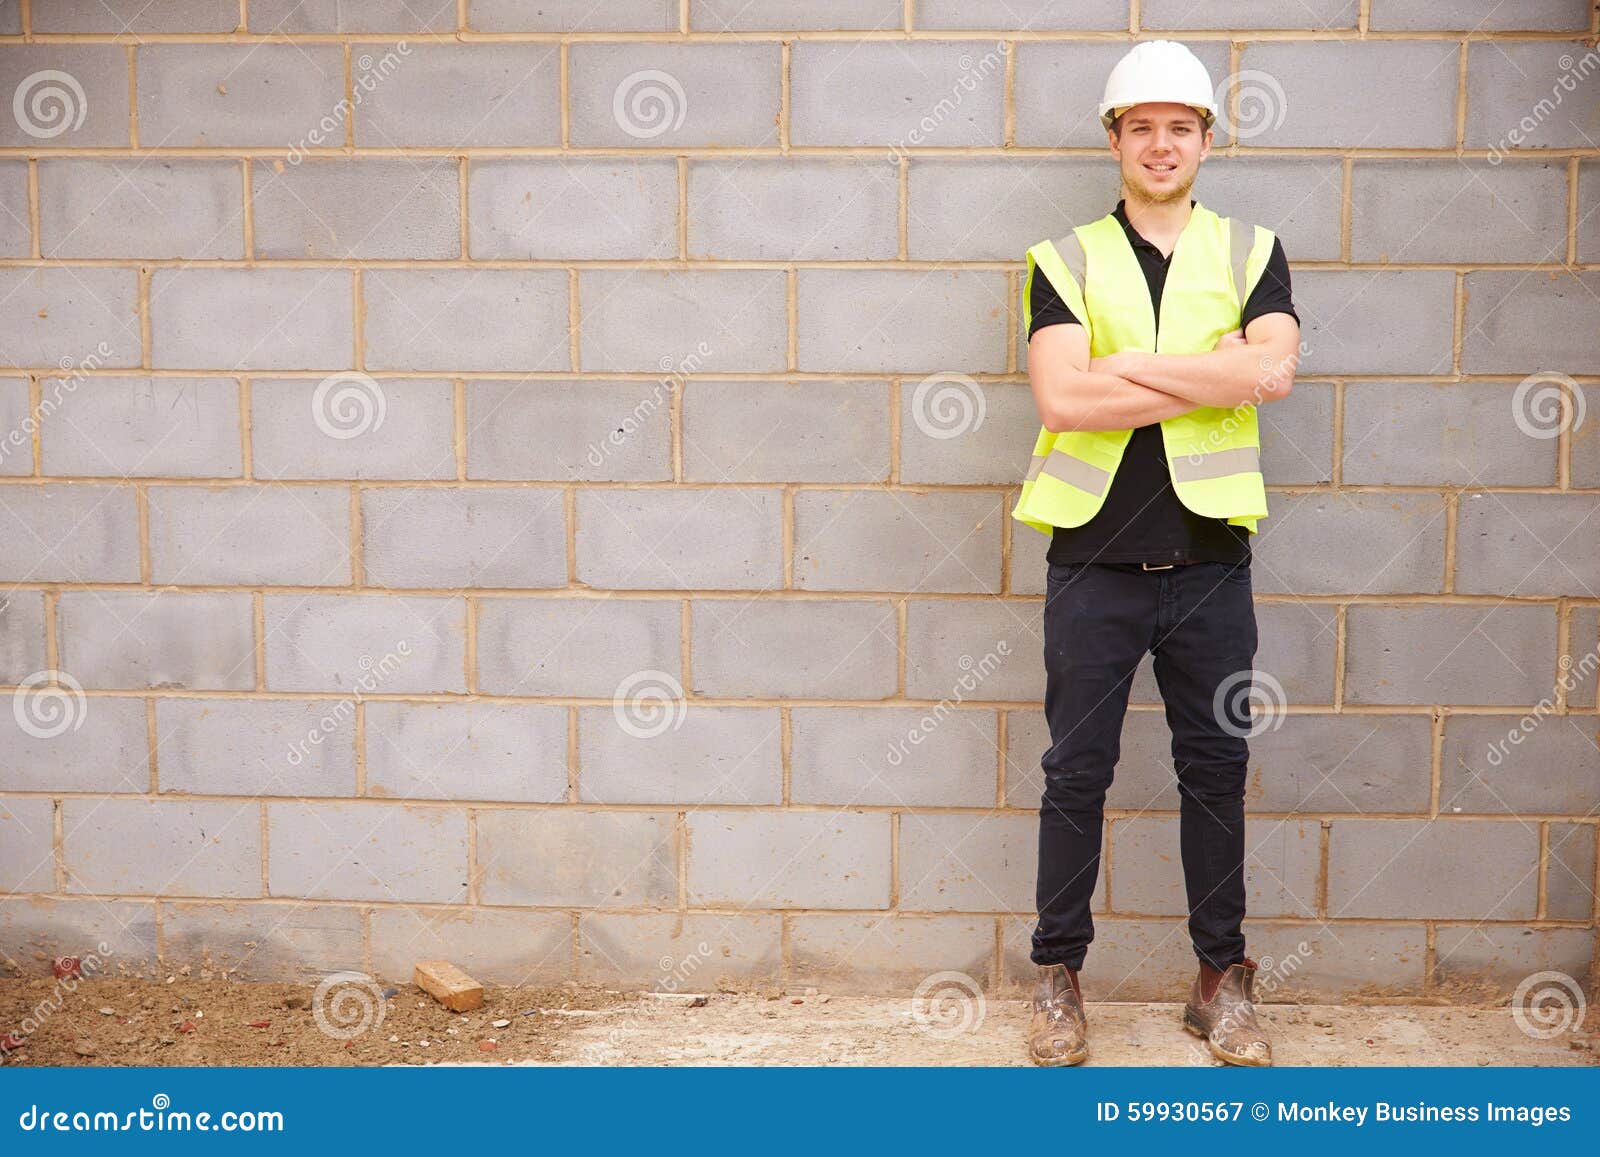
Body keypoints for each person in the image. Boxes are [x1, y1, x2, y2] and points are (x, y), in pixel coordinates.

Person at [1012, 39, 1301, 1067]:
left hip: (1211, 560)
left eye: (1181, 126)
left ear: (1207, 140)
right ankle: (1056, 976)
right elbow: (1063, 398)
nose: (1162, 143)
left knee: (1215, 768)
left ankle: (1220, 979)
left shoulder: (1250, 248)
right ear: (1114, 140)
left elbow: (1272, 377)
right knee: (1074, 772)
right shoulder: (1066, 259)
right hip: (1091, 560)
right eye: (1142, 126)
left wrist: (1130, 366)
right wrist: (1202, 370)